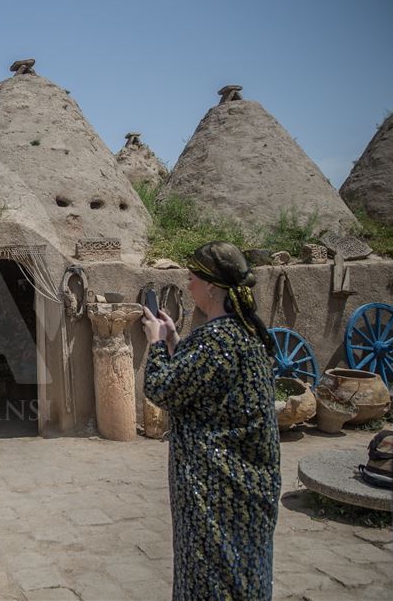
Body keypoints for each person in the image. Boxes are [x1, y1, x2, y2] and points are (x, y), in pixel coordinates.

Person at [141, 241, 281, 600]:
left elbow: (161, 388)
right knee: (242, 576)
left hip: (215, 492)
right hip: (245, 486)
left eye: (191, 279)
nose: (187, 285)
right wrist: (174, 341)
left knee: (211, 580)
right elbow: (203, 387)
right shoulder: (243, 335)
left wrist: (156, 343)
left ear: (211, 287)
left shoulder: (217, 342)